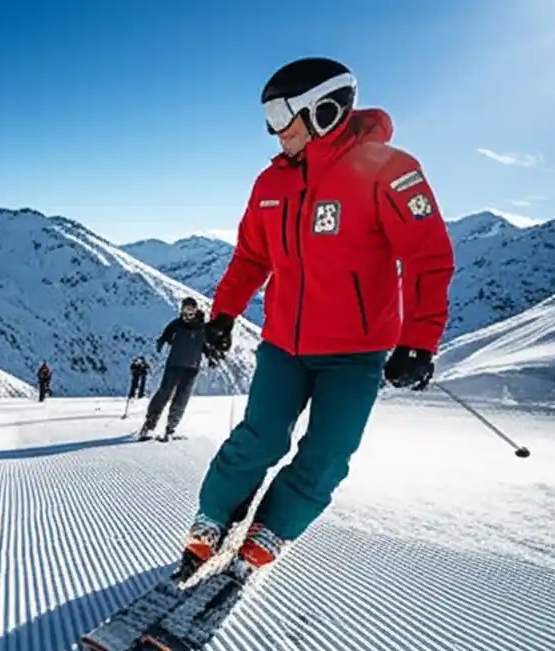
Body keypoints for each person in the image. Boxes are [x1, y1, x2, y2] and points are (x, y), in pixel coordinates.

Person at [174, 57, 455, 584]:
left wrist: (419, 341)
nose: (273, 129)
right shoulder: (269, 183)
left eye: (283, 115)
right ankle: (213, 517)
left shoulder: (388, 169)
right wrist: (224, 313)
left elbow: (428, 256)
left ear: (324, 111)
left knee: (327, 454)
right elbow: (250, 258)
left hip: (357, 354)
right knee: (258, 439)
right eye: (268, 116)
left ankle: (271, 529)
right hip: (284, 344)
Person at [137, 298, 221, 441]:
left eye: (190, 310)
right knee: (163, 393)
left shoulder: (202, 328)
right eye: (185, 310)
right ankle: (149, 424)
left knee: (181, 398)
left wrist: (212, 356)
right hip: (174, 365)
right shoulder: (176, 324)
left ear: (195, 311)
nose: (187, 314)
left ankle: (170, 428)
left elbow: (206, 346)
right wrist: (162, 341)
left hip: (191, 368)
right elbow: (166, 335)